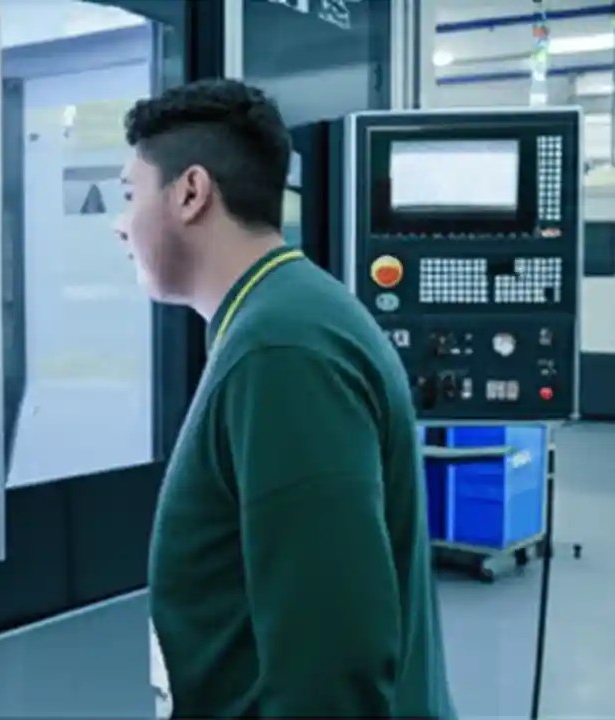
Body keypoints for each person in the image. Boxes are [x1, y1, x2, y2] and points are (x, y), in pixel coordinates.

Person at [116, 78, 457, 718]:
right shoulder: (280, 315)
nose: (119, 224)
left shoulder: (282, 349)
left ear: (191, 192)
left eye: (130, 194)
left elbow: (331, 661)